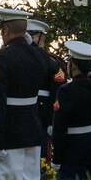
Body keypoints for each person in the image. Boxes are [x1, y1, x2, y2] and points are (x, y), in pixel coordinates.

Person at [0, 7, 45, 180]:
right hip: (34, 129)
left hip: (10, 132)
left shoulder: (2, 57)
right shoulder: (39, 55)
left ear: (5, 31)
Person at [52, 41, 91, 180]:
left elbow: (59, 127)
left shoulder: (66, 91)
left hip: (74, 150)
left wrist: (57, 159)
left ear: (73, 65)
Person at [26, 18, 64, 161]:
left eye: (32, 34)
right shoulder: (51, 61)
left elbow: (58, 88)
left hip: (39, 111)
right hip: (41, 110)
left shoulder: (51, 60)